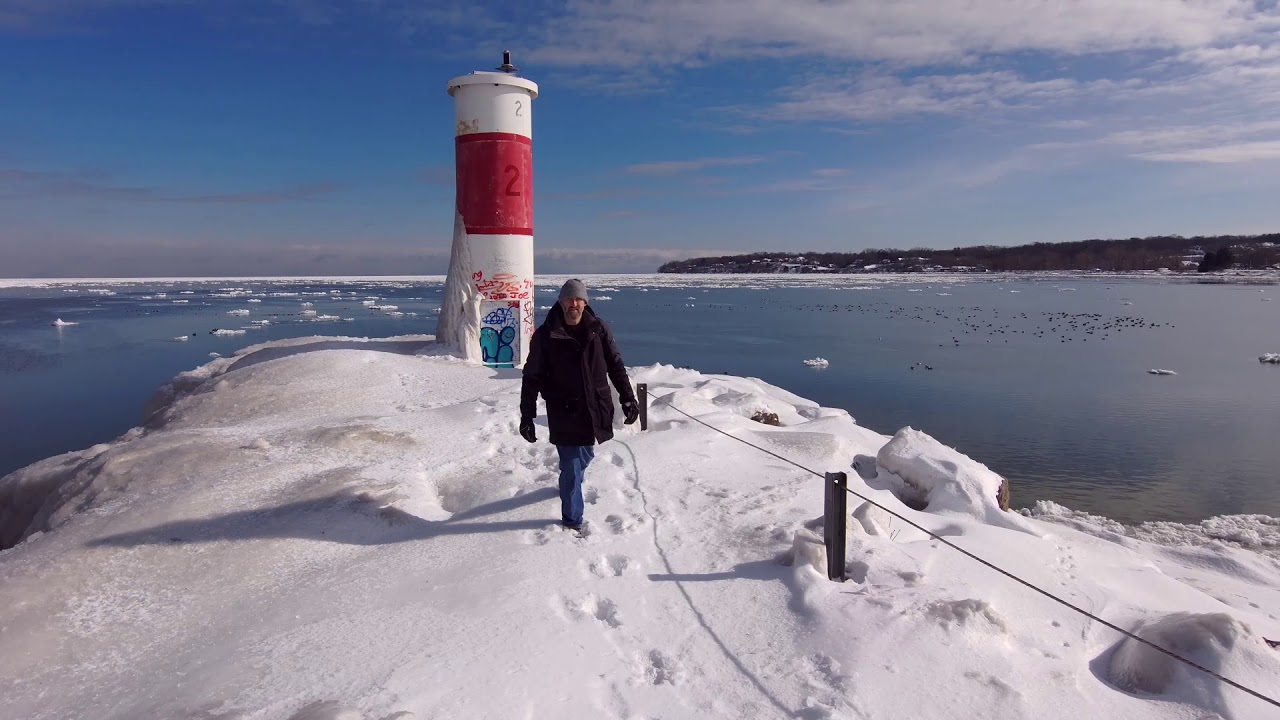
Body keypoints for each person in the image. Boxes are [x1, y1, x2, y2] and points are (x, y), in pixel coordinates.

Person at [519, 279, 639, 532]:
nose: (573, 304)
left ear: (585, 302)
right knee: (572, 466)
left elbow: (615, 365)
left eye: (578, 299)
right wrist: (527, 415)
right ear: (560, 302)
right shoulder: (545, 335)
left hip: (595, 407)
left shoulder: (599, 329)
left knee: (583, 456)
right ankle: (572, 521)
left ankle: (568, 483)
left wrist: (628, 398)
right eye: (568, 299)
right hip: (564, 409)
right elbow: (532, 377)